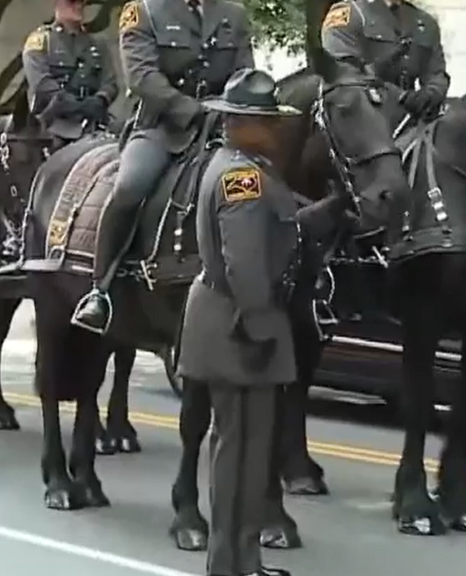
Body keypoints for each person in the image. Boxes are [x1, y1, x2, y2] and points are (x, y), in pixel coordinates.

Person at [180, 68, 345, 576]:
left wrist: (328, 211)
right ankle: (230, 563)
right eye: (264, 120)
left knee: (246, 456)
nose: (273, 128)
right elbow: (246, 264)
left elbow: (279, 228)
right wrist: (261, 328)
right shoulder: (243, 177)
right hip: (240, 326)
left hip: (232, 319)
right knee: (241, 456)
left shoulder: (240, 166)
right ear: (239, 123)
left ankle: (240, 560)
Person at [72, 0, 255, 333]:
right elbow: (142, 79)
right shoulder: (144, 12)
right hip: (162, 130)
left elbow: (245, 73)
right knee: (130, 188)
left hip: (222, 134)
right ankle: (101, 290)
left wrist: (231, 110)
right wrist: (192, 110)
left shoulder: (233, 15)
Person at [320, 0, 449, 122]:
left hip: (414, 121)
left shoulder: (424, 22)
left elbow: (437, 73)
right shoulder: (348, 15)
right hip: (363, 123)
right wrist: (399, 97)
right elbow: (344, 76)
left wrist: (430, 95)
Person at [22, 0, 118, 147]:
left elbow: (111, 82)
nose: (78, 6)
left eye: (82, 1)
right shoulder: (41, 41)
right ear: (55, 0)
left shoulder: (98, 44)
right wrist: (70, 103)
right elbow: (41, 83)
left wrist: (99, 99)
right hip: (54, 124)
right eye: (71, 1)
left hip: (93, 123)